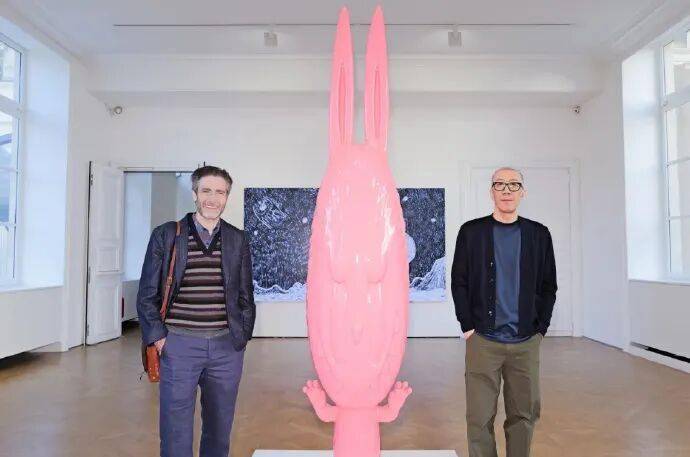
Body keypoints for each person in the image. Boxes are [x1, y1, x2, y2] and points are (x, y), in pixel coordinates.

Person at [137, 165, 255, 457]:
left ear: (226, 196)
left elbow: (245, 295)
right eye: (206, 191)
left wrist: (241, 337)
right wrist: (159, 338)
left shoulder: (237, 239)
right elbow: (147, 293)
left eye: (220, 192)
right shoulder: (167, 235)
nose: (213, 198)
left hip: (226, 348)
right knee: (175, 429)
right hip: (178, 345)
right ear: (194, 194)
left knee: (219, 427)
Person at [451, 166, 557, 457]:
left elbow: (549, 285)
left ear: (523, 192)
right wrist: (467, 325)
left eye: (514, 185)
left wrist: (540, 329)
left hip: (525, 342)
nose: (507, 190)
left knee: (524, 415)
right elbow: (459, 281)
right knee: (479, 418)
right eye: (500, 184)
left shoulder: (539, 234)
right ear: (491, 191)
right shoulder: (471, 232)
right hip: (483, 341)